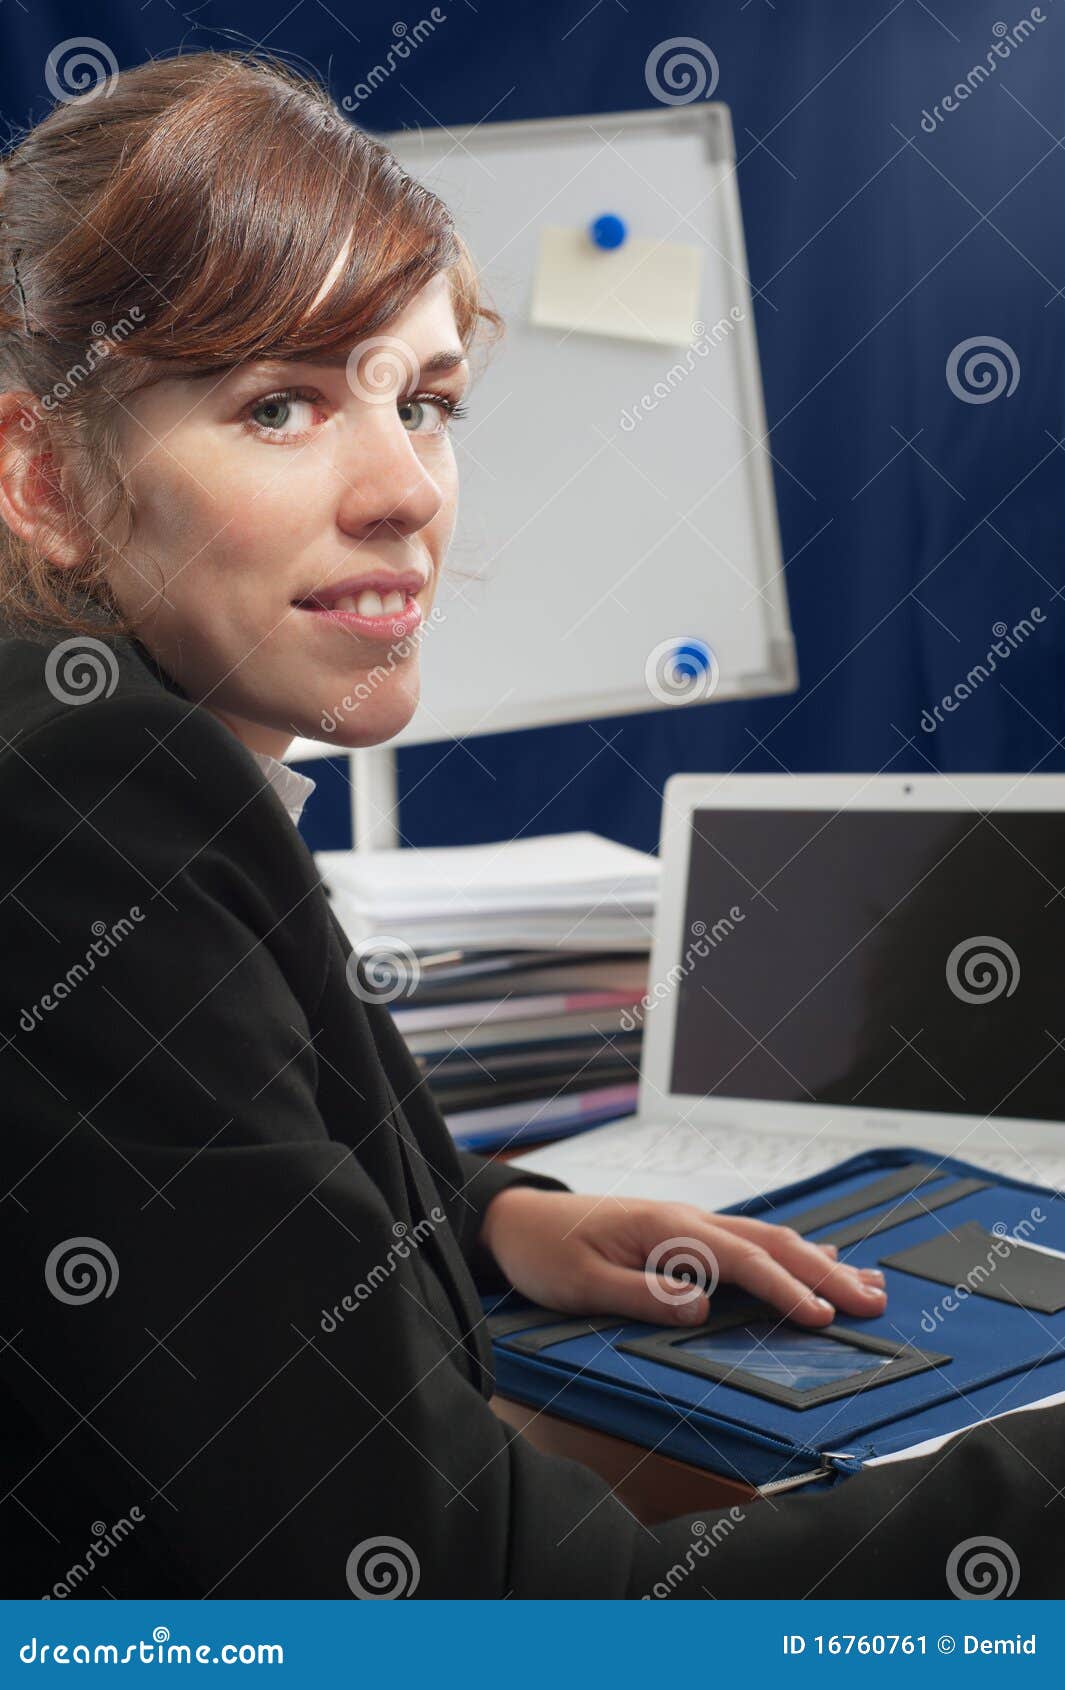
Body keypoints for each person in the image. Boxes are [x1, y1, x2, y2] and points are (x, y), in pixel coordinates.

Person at [0, 48, 1061, 1601]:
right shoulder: (91, 794)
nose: (404, 491)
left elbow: (187, 1203)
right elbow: (465, 1599)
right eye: (280, 404)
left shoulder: (82, 740)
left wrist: (489, 1219)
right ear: (41, 473)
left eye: (424, 400)